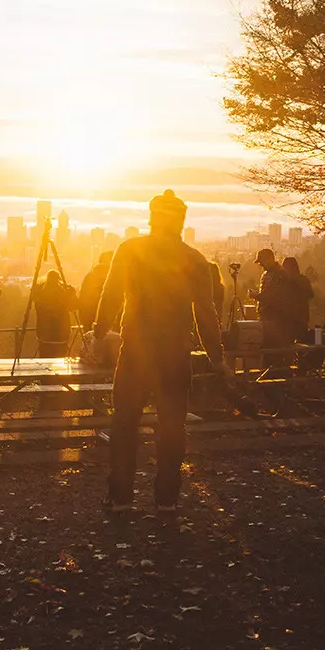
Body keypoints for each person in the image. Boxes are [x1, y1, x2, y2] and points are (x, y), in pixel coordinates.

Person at [91, 190, 231, 512]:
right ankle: (166, 498)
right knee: (172, 426)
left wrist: (99, 332)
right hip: (176, 352)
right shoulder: (194, 260)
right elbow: (205, 312)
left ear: (151, 218)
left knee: (125, 422)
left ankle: (121, 497)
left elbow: (111, 293)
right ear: (181, 221)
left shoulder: (130, 250)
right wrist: (217, 356)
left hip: (136, 349)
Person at [249, 249, 295, 350]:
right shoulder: (267, 274)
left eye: (262, 261)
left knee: (273, 351)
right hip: (267, 319)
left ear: (270, 259)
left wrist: (256, 296)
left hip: (276, 321)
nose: (261, 265)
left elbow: (272, 297)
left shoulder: (280, 275)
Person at [31, 269, 78, 357]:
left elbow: (37, 302)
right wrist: (71, 294)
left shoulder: (41, 293)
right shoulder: (63, 293)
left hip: (45, 332)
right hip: (61, 333)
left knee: (45, 355)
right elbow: (73, 306)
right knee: (61, 355)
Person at [79, 251, 114, 332]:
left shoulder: (89, 276)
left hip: (87, 318)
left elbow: (82, 297)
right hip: (107, 321)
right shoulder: (112, 277)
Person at [281, 257, 313, 342]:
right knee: (302, 343)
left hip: (288, 320)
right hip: (302, 318)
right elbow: (311, 295)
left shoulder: (284, 281)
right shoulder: (304, 279)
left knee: (288, 344)